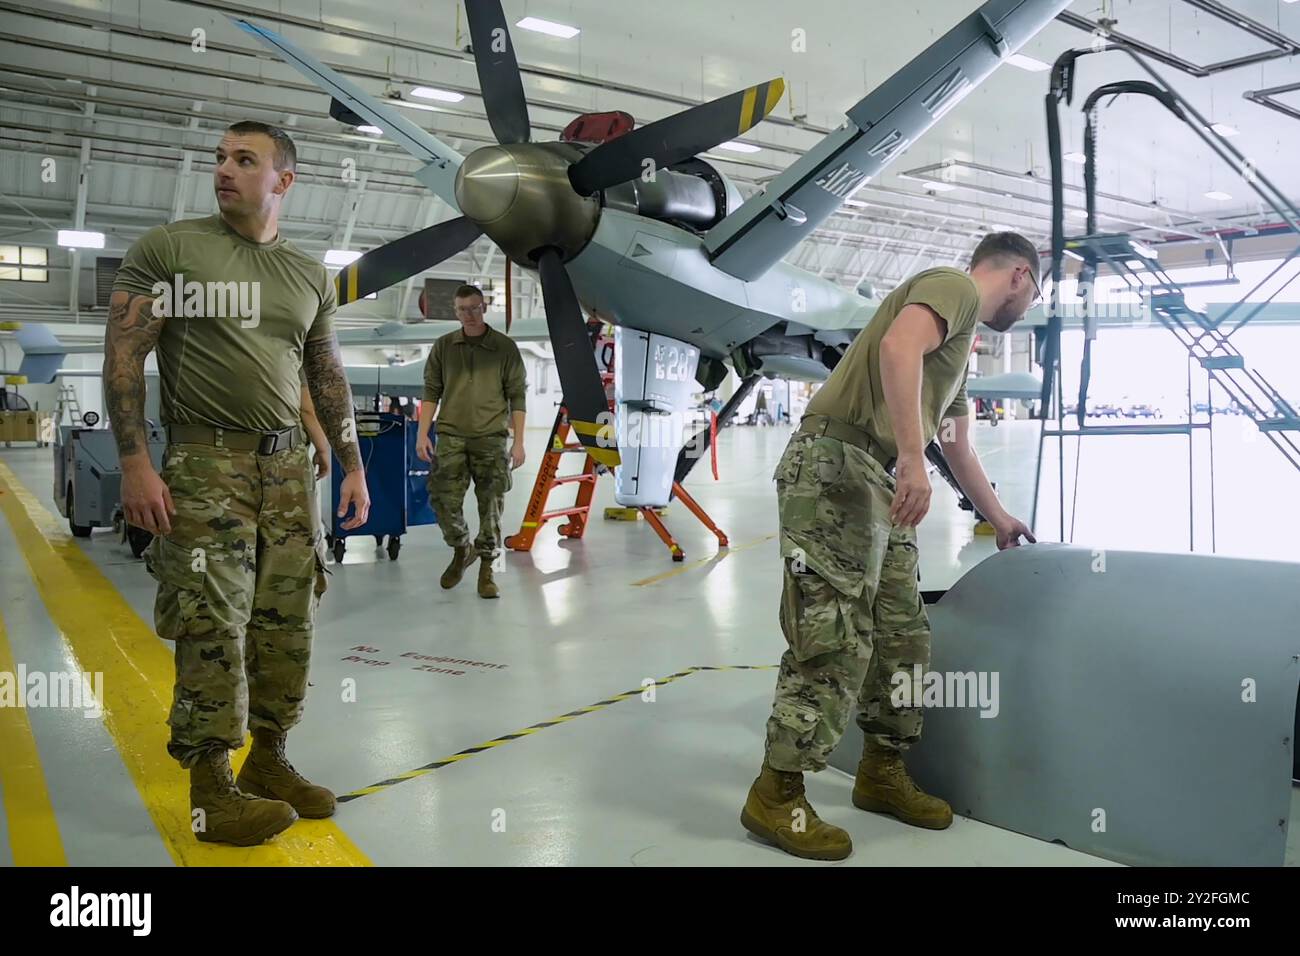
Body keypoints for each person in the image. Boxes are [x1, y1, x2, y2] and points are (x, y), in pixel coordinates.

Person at [105, 119, 371, 847]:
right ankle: (211, 791)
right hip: (203, 467)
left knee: (286, 622)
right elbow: (124, 357)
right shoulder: (171, 250)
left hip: (288, 472)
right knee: (210, 622)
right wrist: (134, 461)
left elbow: (326, 375)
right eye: (220, 158)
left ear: (282, 180)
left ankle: (270, 761)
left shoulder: (310, 274)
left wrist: (350, 463)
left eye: (243, 160)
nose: (223, 169)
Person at [742, 232, 1041, 861]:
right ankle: (776, 792)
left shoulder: (957, 350)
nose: (1030, 304)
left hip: (876, 479)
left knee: (903, 634)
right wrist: (911, 456)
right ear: (1017, 274)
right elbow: (898, 345)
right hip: (835, 465)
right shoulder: (953, 288)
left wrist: (999, 516)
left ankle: (881, 771)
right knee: (833, 635)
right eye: (1034, 290)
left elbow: (955, 440)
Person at [415, 284, 526, 599]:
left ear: (484, 307)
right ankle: (462, 548)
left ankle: (488, 569)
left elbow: (517, 396)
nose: (470, 314)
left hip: (491, 438)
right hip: (450, 435)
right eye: (464, 309)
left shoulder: (504, 348)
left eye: (475, 308)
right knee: (441, 500)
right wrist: (422, 433)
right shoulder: (444, 346)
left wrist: (518, 442)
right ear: (456, 311)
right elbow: (431, 391)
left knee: (491, 506)